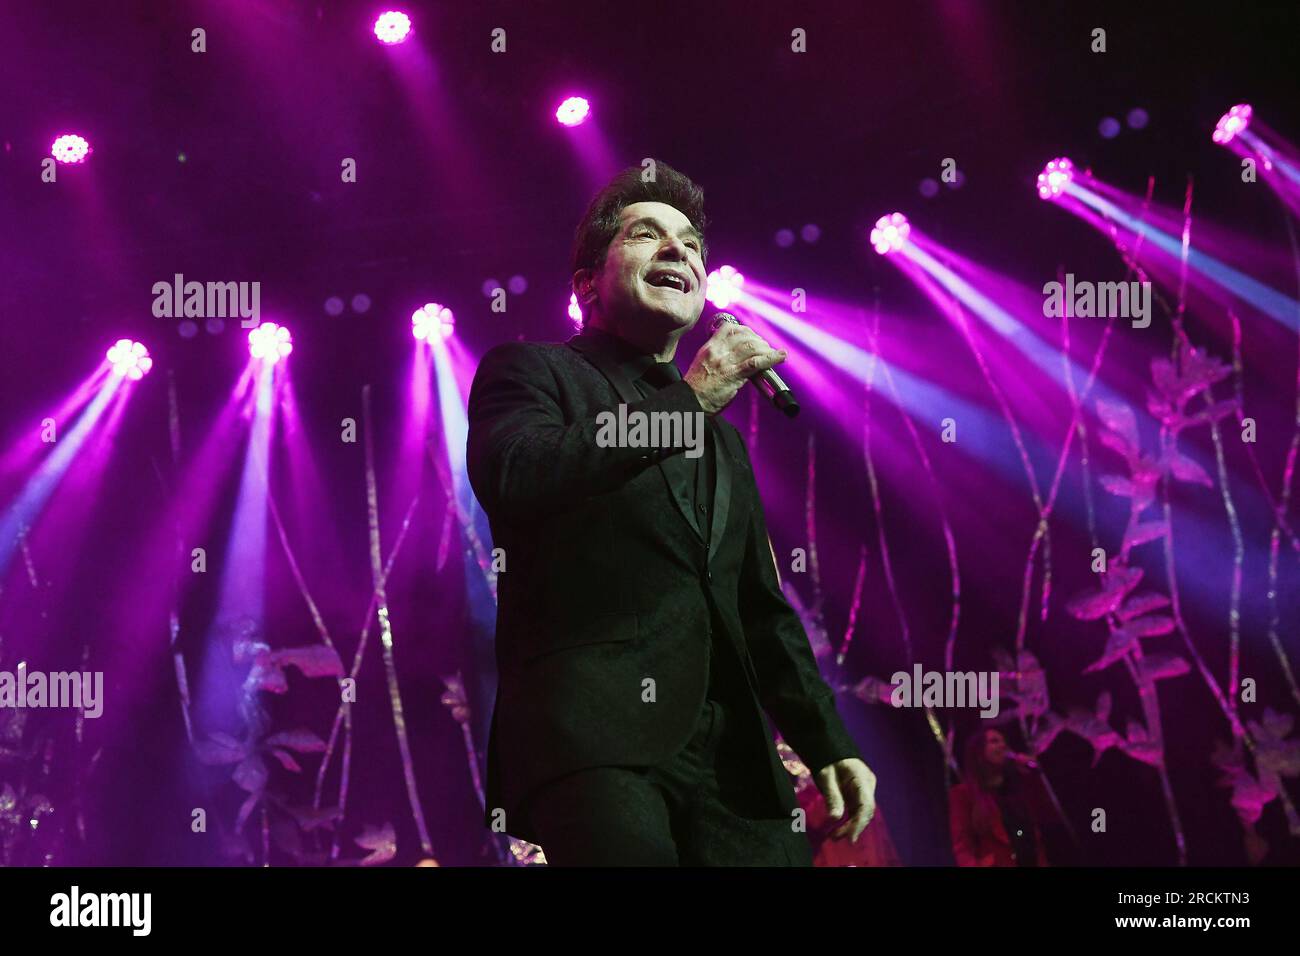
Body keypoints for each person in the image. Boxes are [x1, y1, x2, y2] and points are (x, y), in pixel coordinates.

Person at [466, 161, 876, 865]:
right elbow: (517, 473)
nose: (677, 251)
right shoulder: (532, 372)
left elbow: (758, 606)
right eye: (646, 235)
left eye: (689, 243)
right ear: (586, 283)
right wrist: (691, 400)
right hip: (600, 740)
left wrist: (826, 740)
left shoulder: (718, 434)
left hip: (736, 764)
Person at [949, 728, 1050, 867]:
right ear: (978, 752)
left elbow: (1044, 816)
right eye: (994, 741)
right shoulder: (963, 794)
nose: (1003, 746)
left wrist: (1030, 774)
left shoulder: (1017, 785)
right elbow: (961, 847)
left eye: (1004, 742)